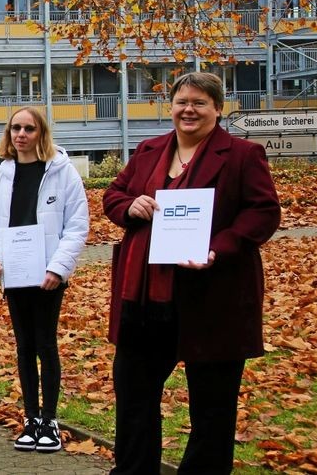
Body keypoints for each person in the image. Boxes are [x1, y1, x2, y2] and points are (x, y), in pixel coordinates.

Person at [103, 72, 280, 474]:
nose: (189, 109)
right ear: (171, 107)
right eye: (182, 101)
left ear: (218, 109)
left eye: (200, 102)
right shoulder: (149, 150)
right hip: (144, 298)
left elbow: (264, 212)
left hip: (212, 297)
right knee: (134, 397)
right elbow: (113, 195)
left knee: (212, 408)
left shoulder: (242, 154)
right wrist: (129, 207)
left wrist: (218, 248)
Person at [0, 107, 88, 453]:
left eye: (29, 128)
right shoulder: (0, 176)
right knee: (24, 346)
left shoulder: (62, 171)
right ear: (8, 134)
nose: (21, 134)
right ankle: (30, 419)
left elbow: (77, 225)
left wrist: (58, 268)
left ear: (41, 133)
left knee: (46, 344)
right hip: (15, 273)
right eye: (15, 128)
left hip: (48, 276)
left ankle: (49, 421)